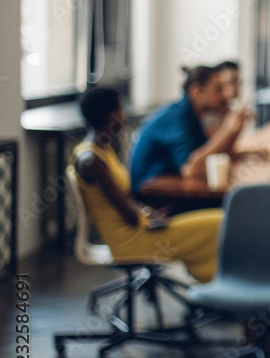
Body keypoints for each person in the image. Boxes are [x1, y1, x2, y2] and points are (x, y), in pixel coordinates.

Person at [73, 88, 223, 283]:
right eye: (121, 111)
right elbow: (130, 216)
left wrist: (151, 213)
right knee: (219, 223)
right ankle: (216, 284)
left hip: (136, 232)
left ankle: (209, 282)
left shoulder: (99, 150)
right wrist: (149, 217)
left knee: (211, 222)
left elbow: (126, 201)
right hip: (130, 242)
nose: (124, 117)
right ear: (111, 116)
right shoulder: (92, 161)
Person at [129, 65, 252, 196]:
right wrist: (227, 131)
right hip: (151, 194)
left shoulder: (193, 115)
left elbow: (215, 153)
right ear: (197, 91)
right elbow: (190, 169)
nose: (224, 95)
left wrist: (235, 130)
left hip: (171, 186)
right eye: (218, 90)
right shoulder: (176, 118)